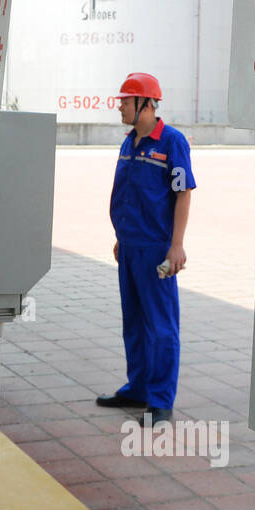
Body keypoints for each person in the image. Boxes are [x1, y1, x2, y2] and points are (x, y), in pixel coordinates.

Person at [96, 72, 195, 425]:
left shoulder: (171, 141)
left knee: (161, 325)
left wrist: (177, 245)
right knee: (134, 322)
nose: (120, 106)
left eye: (126, 100)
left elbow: (183, 193)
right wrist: (122, 237)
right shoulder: (129, 142)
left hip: (156, 251)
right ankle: (137, 387)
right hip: (130, 248)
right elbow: (128, 194)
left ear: (147, 104)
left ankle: (161, 400)